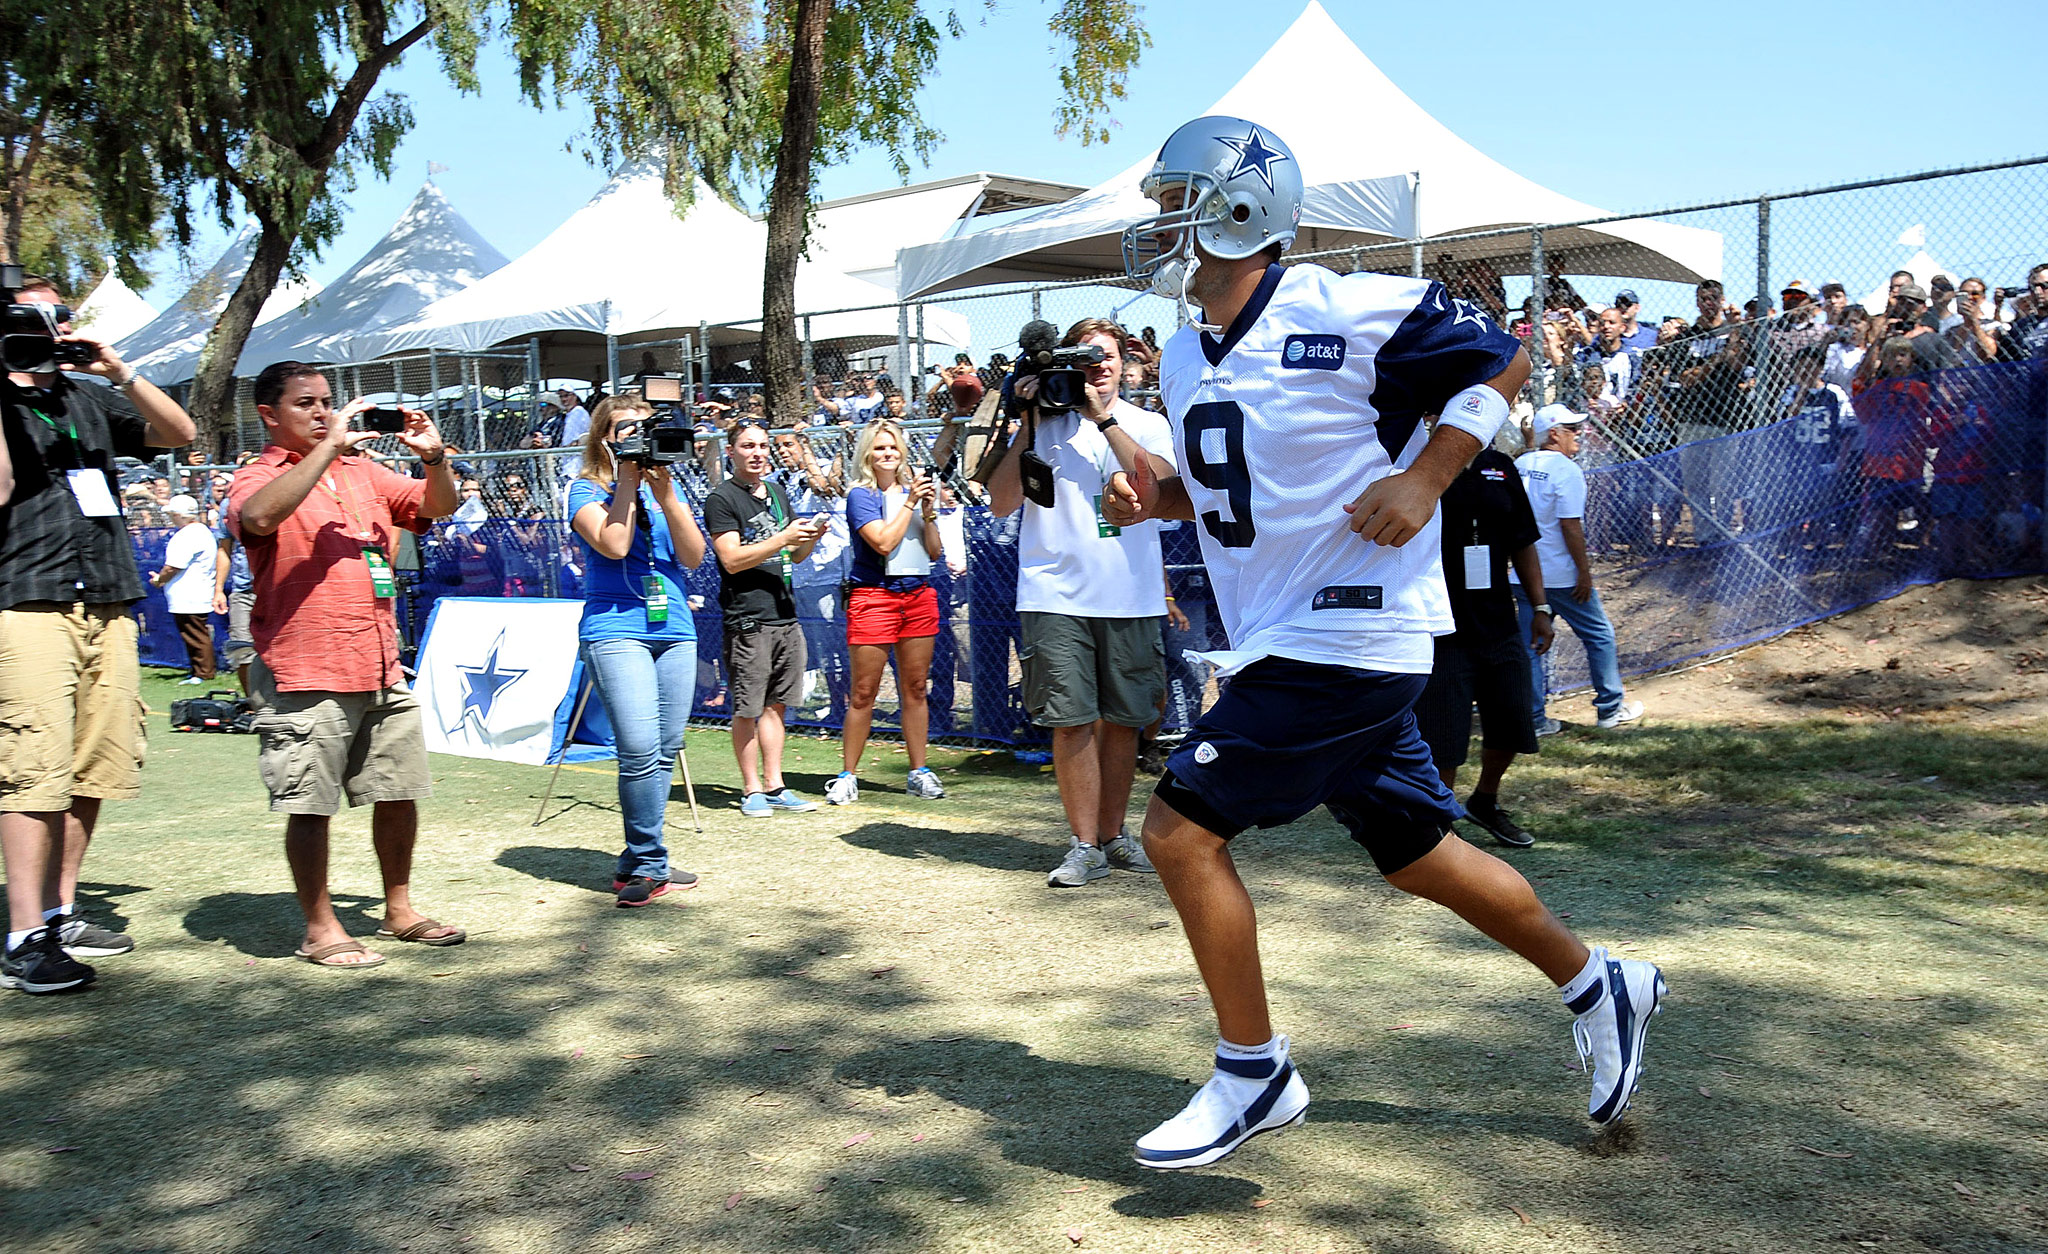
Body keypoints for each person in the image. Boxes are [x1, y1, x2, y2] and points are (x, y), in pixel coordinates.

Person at [1106, 117, 1663, 1169]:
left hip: (1350, 631)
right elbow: (1244, 491)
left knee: (1179, 835)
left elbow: (1499, 361)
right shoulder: (1182, 353)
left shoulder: (1348, 304)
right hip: (1281, 628)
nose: (1159, 224)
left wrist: (1426, 476)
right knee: (1417, 856)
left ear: (1240, 207)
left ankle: (1251, 1070)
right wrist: (1155, 502)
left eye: (1175, 199)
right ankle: (1600, 982)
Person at [227, 362, 466, 969]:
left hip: (381, 660)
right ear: (268, 414)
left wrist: (434, 457)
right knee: (310, 801)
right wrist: (328, 447)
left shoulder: (365, 473)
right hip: (306, 667)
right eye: (305, 403)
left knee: (398, 791)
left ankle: (399, 908)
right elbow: (257, 518)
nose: (321, 412)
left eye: (328, 402)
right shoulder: (255, 475)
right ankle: (319, 926)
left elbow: (440, 506)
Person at [1, 274, 191, 993]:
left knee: (93, 766)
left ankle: (60, 908)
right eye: (28, 315)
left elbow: (181, 433)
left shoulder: (87, 395)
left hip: (108, 598)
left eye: (55, 313)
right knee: (33, 770)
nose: (46, 325)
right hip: (28, 600)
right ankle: (25, 938)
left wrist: (121, 371)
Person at [986, 316, 1176, 889]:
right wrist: (1026, 422)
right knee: (1071, 723)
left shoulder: (1147, 423)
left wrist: (1105, 420)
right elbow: (998, 502)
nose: (1098, 366)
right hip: (1054, 593)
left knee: (1124, 723)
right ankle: (1083, 844)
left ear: (1125, 365)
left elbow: (1163, 488)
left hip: (1131, 593)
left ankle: (1114, 837)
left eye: (1108, 357)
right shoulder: (1041, 424)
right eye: (1086, 357)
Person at [566, 397, 709, 906]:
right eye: (627, 430)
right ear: (604, 437)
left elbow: (693, 557)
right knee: (639, 747)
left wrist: (666, 493)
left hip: (674, 628)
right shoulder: (584, 489)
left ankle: (638, 857)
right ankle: (650, 862)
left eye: (644, 429)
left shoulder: (666, 488)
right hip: (614, 629)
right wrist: (626, 478)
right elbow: (615, 545)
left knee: (666, 747)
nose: (639, 437)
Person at [1414, 435, 1555, 848]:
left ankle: (1485, 801)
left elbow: (1523, 542)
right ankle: (1442, 821)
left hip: (1498, 622)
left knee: (1513, 721)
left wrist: (1541, 609)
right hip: (1442, 624)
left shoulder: (1500, 465)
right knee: (1444, 733)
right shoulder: (1421, 463)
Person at [704, 422, 827, 817]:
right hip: (748, 620)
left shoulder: (776, 493)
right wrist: (783, 538)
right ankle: (751, 789)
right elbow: (732, 559)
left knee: (777, 706)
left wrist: (810, 536)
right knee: (748, 707)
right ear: (731, 451)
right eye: (747, 446)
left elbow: (795, 557)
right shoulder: (721, 499)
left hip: (785, 615)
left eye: (762, 446)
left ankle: (775, 786)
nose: (757, 452)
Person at [827, 420, 948, 805]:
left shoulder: (916, 492)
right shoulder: (860, 497)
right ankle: (848, 775)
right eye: (880, 448)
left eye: (893, 448)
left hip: (917, 595)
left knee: (914, 688)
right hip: (873, 596)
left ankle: (919, 770)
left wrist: (928, 512)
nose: (887, 454)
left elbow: (933, 552)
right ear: (868, 453)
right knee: (864, 692)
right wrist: (911, 502)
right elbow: (881, 542)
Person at [1515, 405, 1644, 732]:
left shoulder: (1520, 464)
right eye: (1572, 429)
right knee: (1600, 636)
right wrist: (1584, 574)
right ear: (1554, 434)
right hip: (1561, 576)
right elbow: (1571, 527)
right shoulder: (1566, 470)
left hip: (1522, 574)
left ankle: (1534, 719)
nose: (1580, 434)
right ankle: (1609, 710)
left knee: (1532, 645)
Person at [149, 493, 218, 685]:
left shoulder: (188, 535)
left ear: (179, 515)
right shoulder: (201, 532)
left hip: (189, 593)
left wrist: (160, 579)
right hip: (194, 592)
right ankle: (199, 670)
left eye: (172, 514)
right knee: (194, 632)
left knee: (195, 633)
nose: (170, 517)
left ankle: (204, 672)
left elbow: (173, 566)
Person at [212, 505, 258, 695]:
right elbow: (224, 549)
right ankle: (253, 703)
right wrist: (219, 590)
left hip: (279, 589)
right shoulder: (229, 505)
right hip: (244, 591)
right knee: (243, 651)